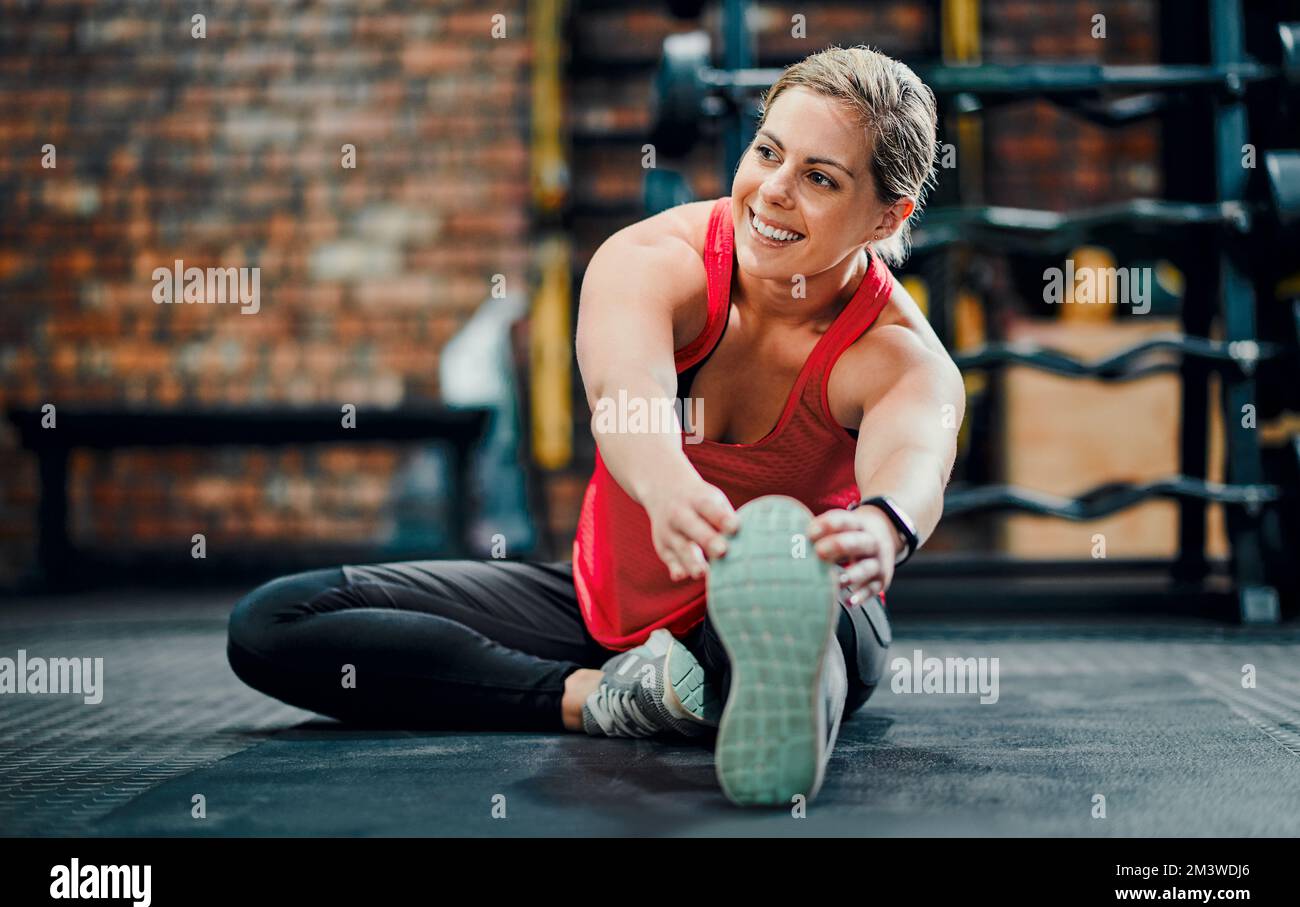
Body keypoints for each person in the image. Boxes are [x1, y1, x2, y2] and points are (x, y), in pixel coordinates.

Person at [227, 45, 964, 807]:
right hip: (600, 607)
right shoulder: (653, 259)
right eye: (768, 152)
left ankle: (759, 683)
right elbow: (626, 393)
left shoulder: (897, 355)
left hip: (806, 610)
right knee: (275, 621)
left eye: (819, 178)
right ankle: (606, 697)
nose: (773, 191)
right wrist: (669, 486)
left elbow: (916, 453)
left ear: (889, 214)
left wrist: (884, 526)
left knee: (808, 620)